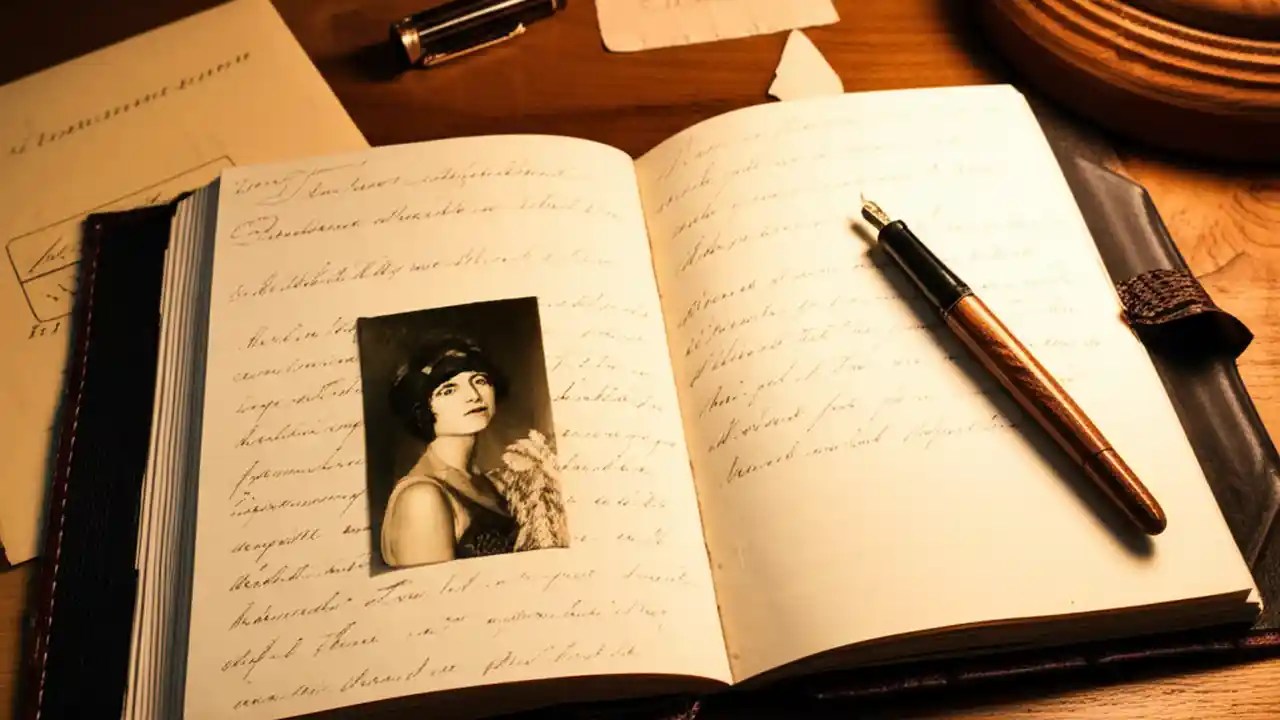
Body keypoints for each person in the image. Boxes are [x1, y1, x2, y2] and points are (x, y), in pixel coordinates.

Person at [381, 336, 518, 567]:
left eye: (480, 380)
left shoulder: (493, 483)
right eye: (449, 390)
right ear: (421, 408)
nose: (474, 395)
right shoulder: (422, 499)